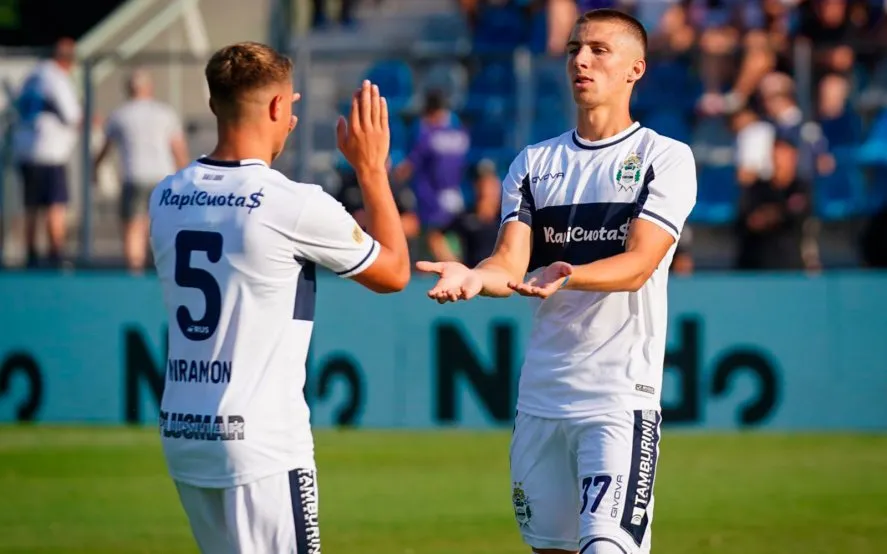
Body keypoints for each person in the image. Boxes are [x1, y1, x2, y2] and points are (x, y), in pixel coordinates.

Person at [417, 9, 697, 554]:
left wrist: (568, 276)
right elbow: (507, 264)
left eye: (597, 49)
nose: (581, 60)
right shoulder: (532, 163)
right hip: (541, 400)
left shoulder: (665, 157)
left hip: (618, 399)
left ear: (635, 69)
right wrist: (474, 276)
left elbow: (640, 264)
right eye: (573, 49)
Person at [148, 42, 409, 554]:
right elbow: (395, 271)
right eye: (290, 105)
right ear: (274, 108)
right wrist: (372, 169)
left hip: (184, 431)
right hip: (261, 442)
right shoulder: (291, 203)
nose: (291, 119)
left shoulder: (167, 195)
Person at [94, 69, 190, 272]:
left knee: (133, 226)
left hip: (133, 175)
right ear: (149, 87)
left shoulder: (120, 114)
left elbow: (105, 148)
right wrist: (187, 176)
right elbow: (178, 149)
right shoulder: (165, 113)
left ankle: (135, 270)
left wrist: (96, 168)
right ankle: (165, 267)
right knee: (163, 225)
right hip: (163, 177)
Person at [12, 37, 81, 268]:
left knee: (31, 206)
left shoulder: (33, 75)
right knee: (55, 205)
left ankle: (31, 253)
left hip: (26, 149)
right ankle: (55, 254)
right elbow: (72, 115)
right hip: (49, 150)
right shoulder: (56, 77)